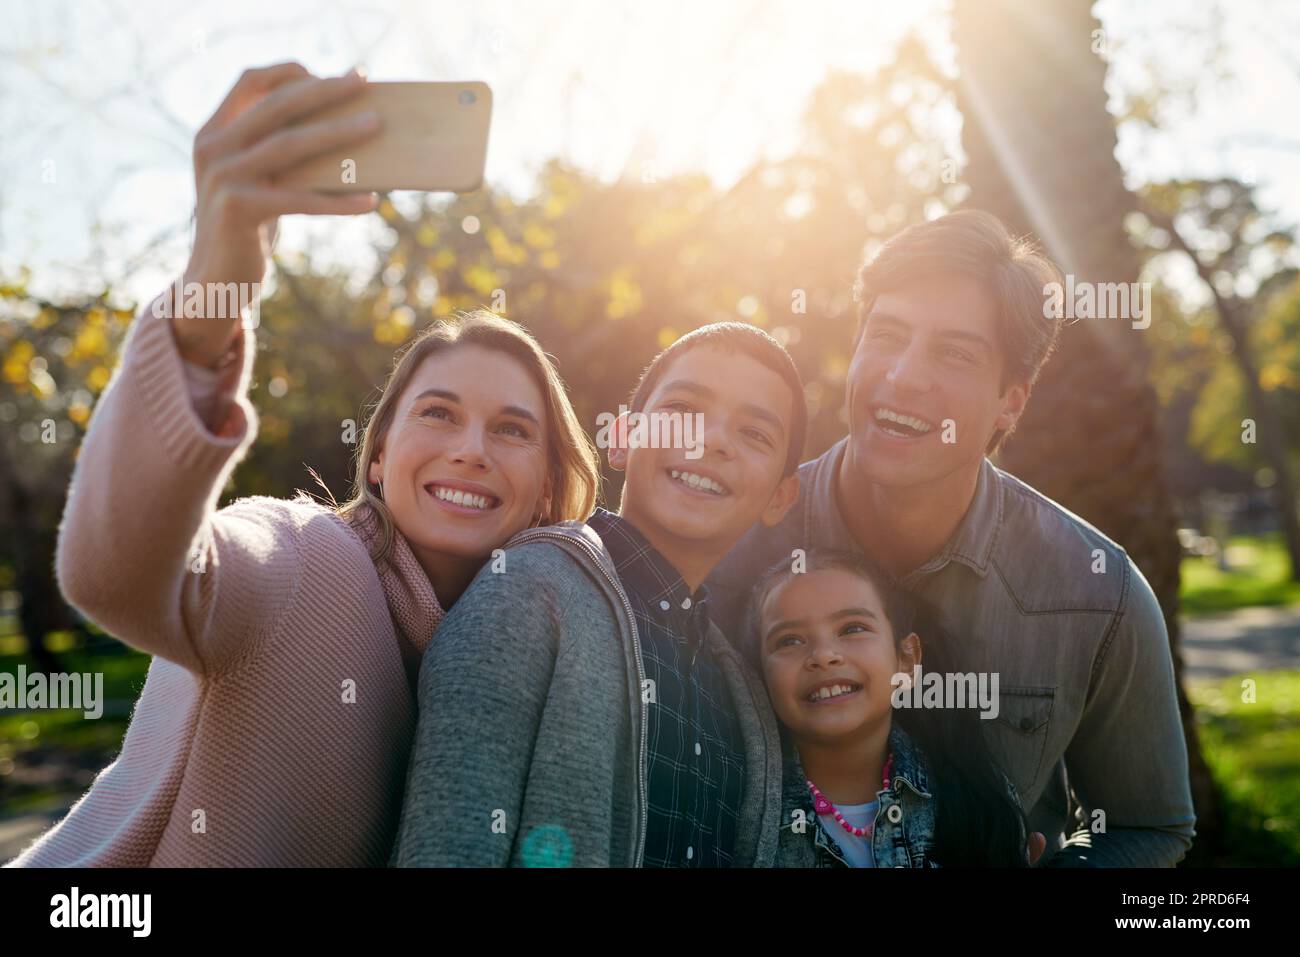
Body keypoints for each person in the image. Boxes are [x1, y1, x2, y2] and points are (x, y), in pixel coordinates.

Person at [6, 63, 599, 867]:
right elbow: (117, 574)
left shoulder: (517, 663)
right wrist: (213, 294)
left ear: (549, 491)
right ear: (381, 457)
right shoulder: (308, 561)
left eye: (513, 429)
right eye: (438, 412)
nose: (470, 447)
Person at [708, 209, 1196, 866]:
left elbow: (1151, 825)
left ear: (1011, 402)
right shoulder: (733, 544)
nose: (904, 375)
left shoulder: (1096, 592)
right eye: (887, 334)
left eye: (954, 352)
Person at [394, 322, 805, 866]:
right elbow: (449, 842)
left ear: (780, 498)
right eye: (683, 411)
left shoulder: (743, 692)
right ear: (623, 437)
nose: (711, 442)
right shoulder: (527, 591)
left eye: (755, 434)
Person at [753, 549, 1031, 867]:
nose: (824, 655)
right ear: (759, 674)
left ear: (907, 660)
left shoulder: (977, 802)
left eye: (852, 628)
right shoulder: (738, 811)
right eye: (789, 640)